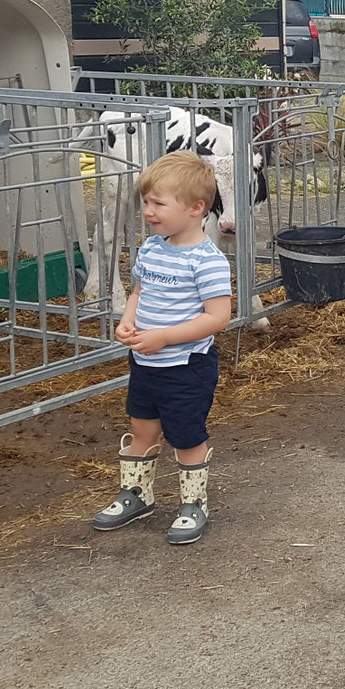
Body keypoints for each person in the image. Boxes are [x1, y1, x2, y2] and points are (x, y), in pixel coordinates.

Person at [91, 151, 235, 546]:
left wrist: (165, 337)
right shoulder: (152, 249)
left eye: (158, 203)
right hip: (145, 360)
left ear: (195, 208)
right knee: (141, 426)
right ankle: (137, 494)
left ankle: (194, 503)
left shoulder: (207, 261)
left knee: (186, 435)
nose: (149, 211)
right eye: (146, 202)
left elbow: (217, 317)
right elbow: (140, 290)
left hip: (186, 365)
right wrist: (129, 320)